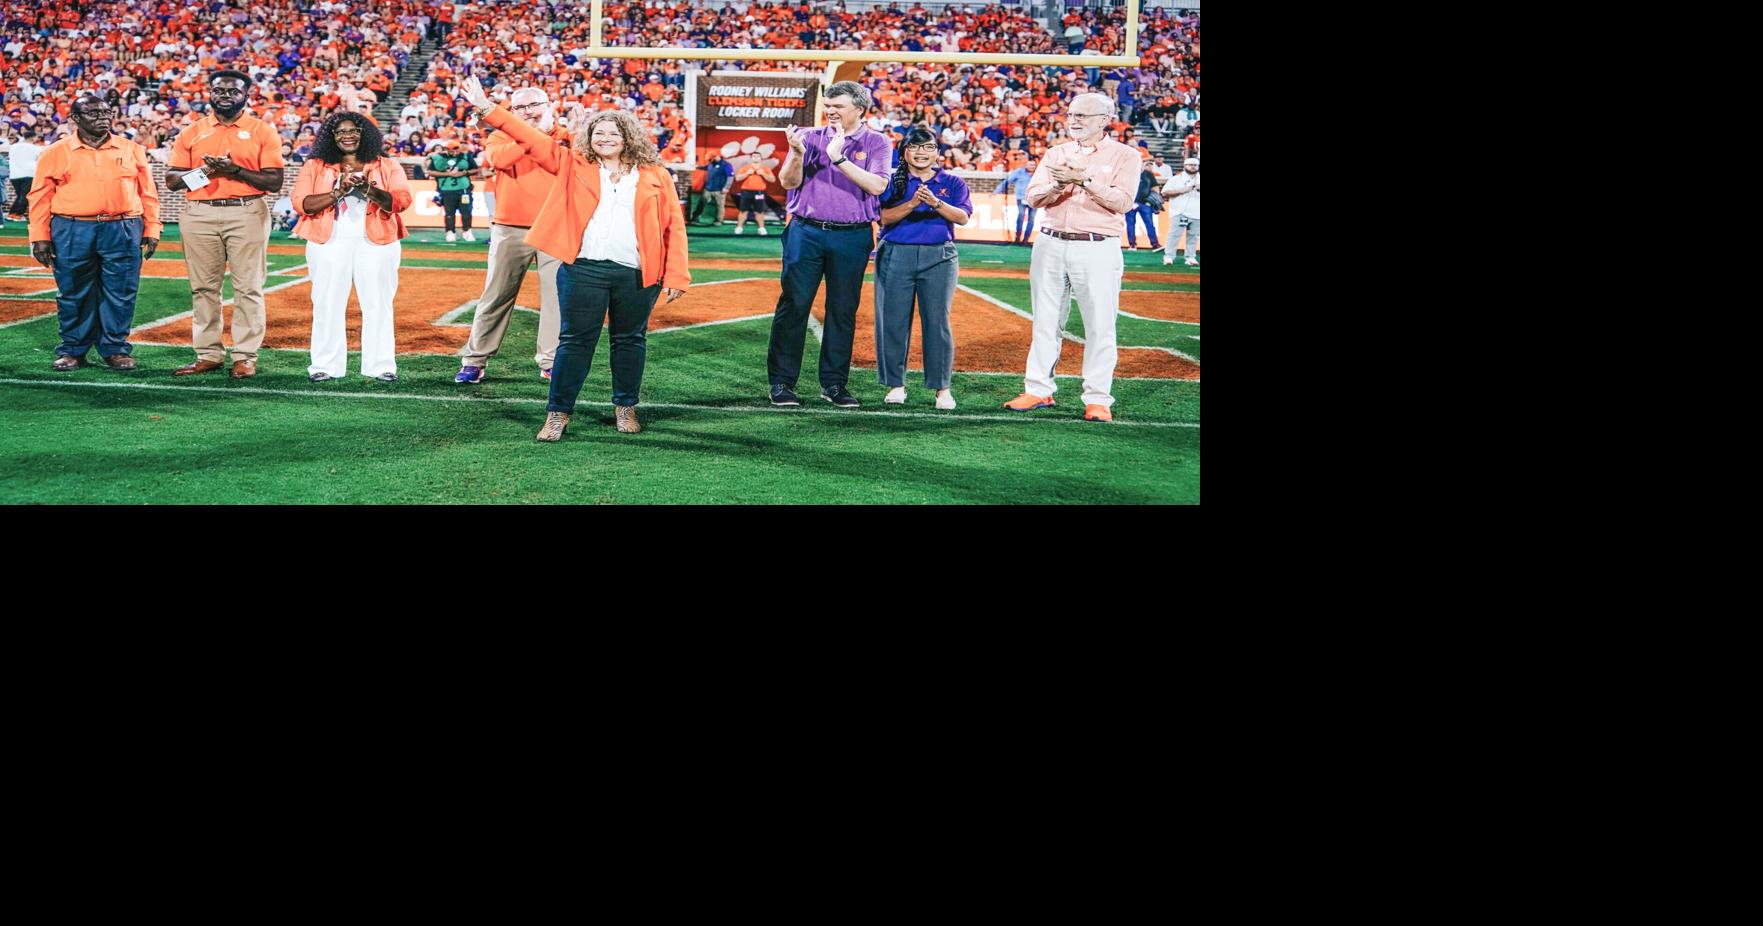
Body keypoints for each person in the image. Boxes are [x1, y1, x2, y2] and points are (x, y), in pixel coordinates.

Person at [461, 76, 689, 440]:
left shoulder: (655, 175)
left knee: (630, 341)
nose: (605, 139)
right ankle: (558, 413)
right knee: (573, 342)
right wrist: (487, 107)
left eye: (613, 133)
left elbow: (673, 226)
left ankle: (625, 407)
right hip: (583, 268)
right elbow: (533, 140)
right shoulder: (575, 163)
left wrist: (676, 274)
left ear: (629, 137)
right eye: (598, 134)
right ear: (588, 138)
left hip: (635, 272)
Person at [1003, 92, 1139, 424]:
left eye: (1082, 115)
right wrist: (1058, 187)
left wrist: (1084, 181)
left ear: (1105, 120)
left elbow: (1123, 202)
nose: (1073, 120)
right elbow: (1033, 197)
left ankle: (1097, 398)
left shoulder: (1126, 155)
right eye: (1071, 114)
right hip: (1050, 241)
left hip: (1097, 244)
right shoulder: (1056, 153)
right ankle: (1038, 389)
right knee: (1045, 320)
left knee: (1100, 324)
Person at [766, 80, 893, 408]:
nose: (831, 111)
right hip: (806, 231)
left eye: (839, 106)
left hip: (853, 234)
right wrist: (796, 153)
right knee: (793, 304)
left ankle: (834, 384)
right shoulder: (808, 137)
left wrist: (838, 159)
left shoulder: (877, 141)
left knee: (842, 309)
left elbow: (877, 186)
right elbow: (788, 182)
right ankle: (781, 382)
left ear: (860, 109)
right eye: (829, 106)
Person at [164, 69, 286, 379]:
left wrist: (234, 171)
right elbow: (172, 181)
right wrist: (207, 172)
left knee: (249, 287)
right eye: (219, 90)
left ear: (246, 95)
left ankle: (245, 356)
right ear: (210, 93)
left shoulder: (262, 131)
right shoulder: (192, 131)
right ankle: (208, 354)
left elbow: (274, 181)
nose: (226, 95)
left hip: (247, 211)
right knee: (203, 288)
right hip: (199, 213)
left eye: (233, 91)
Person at [27, 95, 161, 371]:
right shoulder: (55, 152)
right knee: (73, 291)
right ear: (75, 119)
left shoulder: (131, 148)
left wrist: (152, 227)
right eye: (94, 113)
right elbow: (39, 197)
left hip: (124, 226)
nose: (103, 117)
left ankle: (115, 349)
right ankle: (73, 350)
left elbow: (147, 192)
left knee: (121, 291)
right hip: (71, 227)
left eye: (107, 112)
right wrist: (39, 236)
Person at [456, 86, 573, 384]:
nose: (528, 111)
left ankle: (550, 361)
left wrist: (544, 135)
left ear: (550, 104)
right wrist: (534, 136)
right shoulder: (499, 136)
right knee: (496, 295)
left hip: (556, 226)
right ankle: (475, 359)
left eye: (534, 105)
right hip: (510, 227)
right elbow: (499, 160)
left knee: (556, 298)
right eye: (519, 108)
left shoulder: (569, 135)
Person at [290, 111, 414, 383]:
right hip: (328, 240)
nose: (347, 136)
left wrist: (368, 189)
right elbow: (301, 203)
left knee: (378, 303)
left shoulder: (387, 164)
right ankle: (325, 365)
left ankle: (380, 365)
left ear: (365, 134)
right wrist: (338, 192)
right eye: (340, 132)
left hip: (378, 241)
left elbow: (401, 201)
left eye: (354, 130)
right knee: (326, 302)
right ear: (331, 137)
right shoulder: (315, 166)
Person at [873, 126, 970, 410]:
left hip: (939, 256)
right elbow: (883, 218)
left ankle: (942, 389)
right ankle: (896, 385)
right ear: (904, 152)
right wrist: (913, 203)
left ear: (937, 153)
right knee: (892, 321)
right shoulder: (891, 182)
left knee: (937, 323)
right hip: (895, 253)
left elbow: (962, 217)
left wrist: (935, 203)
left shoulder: (952, 182)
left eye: (928, 147)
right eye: (914, 147)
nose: (921, 152)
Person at [428, 137, 477, 242]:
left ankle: (467, 231)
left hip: (464, 189)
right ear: (446, 149)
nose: (454, 152)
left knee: (466, 211)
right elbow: (430, 171)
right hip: (447, 190)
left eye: (456, 150)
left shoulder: (465, 156)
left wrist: (464, 173)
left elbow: (476, 169)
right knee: (449, 213)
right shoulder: (438, 158)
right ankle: (450, 232)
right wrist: (448, 174)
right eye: (451, 150)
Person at [1161, 157, 1199, 266]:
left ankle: (1190, 257)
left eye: (1195, 165)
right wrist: (1182, 190)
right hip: (1179, 211)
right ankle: (1169, 256)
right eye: (1190, 165)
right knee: (1174, 235)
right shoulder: (1176, 179)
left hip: (1197, 212)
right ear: (1185, 166)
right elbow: (1165, 192)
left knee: (1194, 236)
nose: (1193, 167)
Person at [5, 130, 43, 222]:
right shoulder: (37, 149)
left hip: (14, 174)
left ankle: (12, 214)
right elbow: (40, 160)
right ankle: (18, 215)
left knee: (20, 195)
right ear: (33, 137)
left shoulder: (13, 147)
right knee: (24, 195)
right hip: (29, 174)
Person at [1125, 161, 1161, 252]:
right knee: (1130, 224)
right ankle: (1132, 244)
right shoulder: (1128, 173)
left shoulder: (1148, 174)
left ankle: (1155, 244)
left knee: (1149, 224)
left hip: (1145, 203)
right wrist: (1129, 201)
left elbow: (1155, 187)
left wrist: (1155, 200)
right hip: (1131, 203)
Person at [732, 158, 775, 235]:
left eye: (757, 156)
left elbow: (772, 180)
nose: (756, 157)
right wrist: (747, 173)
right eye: (754, 156)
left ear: (761, 158)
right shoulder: (745, 168)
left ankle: (761, 228)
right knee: (743, 210)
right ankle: (739, 228)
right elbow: (737, 178)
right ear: (751, 158)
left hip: (759, 192)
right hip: (746, 192)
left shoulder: (765, 168)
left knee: (759, 211)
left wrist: (763, 173)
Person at [999, 155, 1036, 244]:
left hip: (1034, 199)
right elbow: (1007, 181)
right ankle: (1017, 237)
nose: (1032, 167)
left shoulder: (1038, 174)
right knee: (1021, 216)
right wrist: (998, 190)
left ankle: (1026, 240)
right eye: (1030, 165)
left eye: (1033, 165)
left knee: (1031, 219)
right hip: (1021, 198)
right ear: (1026, 165)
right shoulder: (1019, 172)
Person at [691, 151, 734, 225]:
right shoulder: (711, 163)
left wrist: (726, 187)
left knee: (719, 206)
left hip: (719, 190)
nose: (709, 160)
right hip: (708, 189)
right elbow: (706, 167)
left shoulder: (726, 165)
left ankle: (719, 220)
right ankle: (695, 217)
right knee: (702, 203)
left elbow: (730, 177)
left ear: (716, 157)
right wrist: (697, 167)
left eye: (710, 159)